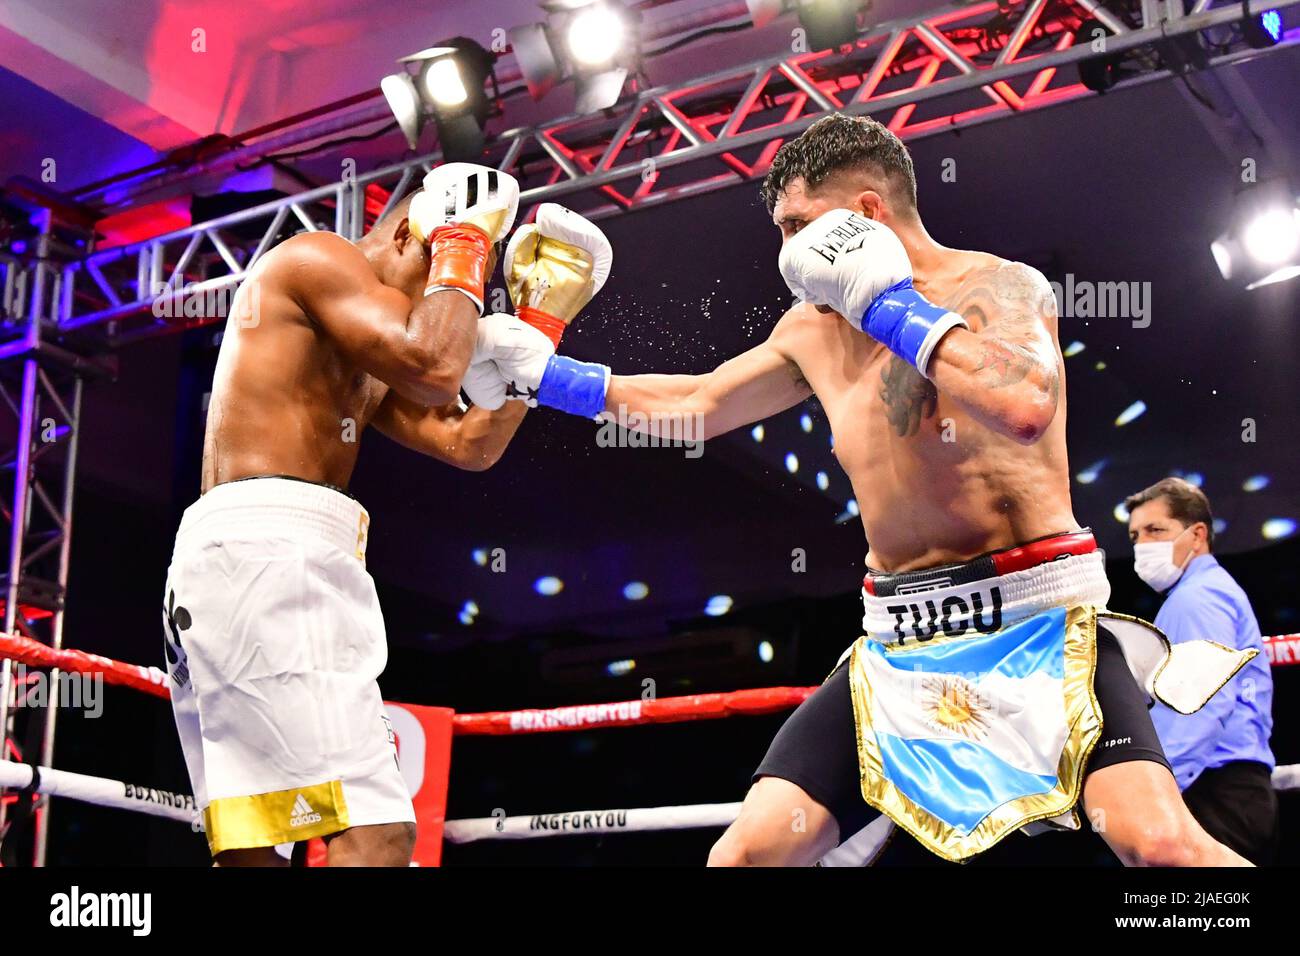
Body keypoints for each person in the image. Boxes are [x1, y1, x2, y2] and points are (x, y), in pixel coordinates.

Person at [465, 113, 1254, 866]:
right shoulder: (811, 329)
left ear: (865, 213)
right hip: (901, 646)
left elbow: (1023, 405)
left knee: (1160, 848)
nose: (785, 253)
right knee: (745, 854)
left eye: (796, 226)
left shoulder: (997, 287)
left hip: (1040, 626)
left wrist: (891, 307)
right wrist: (550, 379)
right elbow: (696, 409)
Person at [162, 163, 610, 866]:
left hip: (236, 565)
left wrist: (538, 323)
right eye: (445, 272)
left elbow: (470, 444)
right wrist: (466, 242)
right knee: (378, 832)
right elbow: (433, 364)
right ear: (410, 232)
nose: (450, 305)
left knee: (255, 844)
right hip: (271, 559)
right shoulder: (317, 258)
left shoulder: (367, 349)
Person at [1126, 477, 1278, 864]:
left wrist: (1158, 792)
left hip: (1212, 786)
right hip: (1225, 787)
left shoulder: (1197, 599)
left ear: (1197, 535)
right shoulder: (1204, 592)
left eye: (1155, 530)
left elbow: (1202, 702)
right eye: (1134, 535)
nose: (1143, 544)